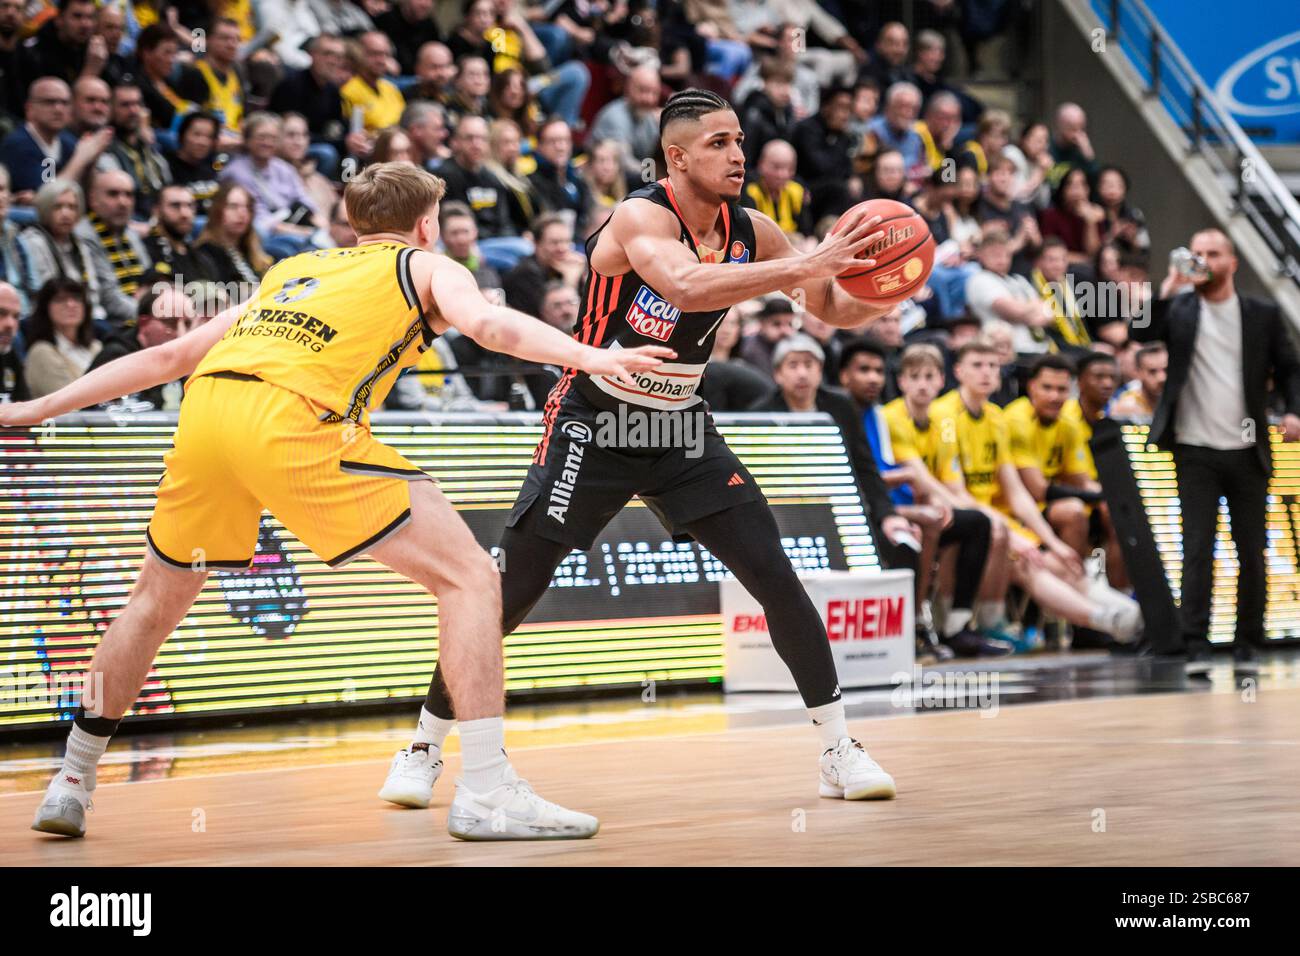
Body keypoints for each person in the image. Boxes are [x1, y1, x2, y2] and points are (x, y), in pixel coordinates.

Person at [4, 161, 671, 841]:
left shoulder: (291, 273)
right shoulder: (428, 267)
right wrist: (588, 356)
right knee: (470, 575)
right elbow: (489, 327)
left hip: (207, 417)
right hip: (293, 422)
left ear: (354, 225)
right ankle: (487, 789)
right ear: (425, 223)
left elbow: (170, 359)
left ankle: (73, 780)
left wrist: (37, 407)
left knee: (153, 603)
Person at [381, 88, 904, 812]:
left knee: (773, 571)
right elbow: (686, 287)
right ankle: (423, 747)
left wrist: (893, 284)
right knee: (508, 593)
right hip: (593, 419)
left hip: (677, 426)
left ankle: (839, 749)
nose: (738, 155)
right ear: (676, 155)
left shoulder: (752, 230)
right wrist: (805, 263)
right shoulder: (638, 216)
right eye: (719, 143)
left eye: (740, 142)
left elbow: (832, 307)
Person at [1131, 228, 1300, 675]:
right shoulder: (1181, 308)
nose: (1204, 260)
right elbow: (1140, 330)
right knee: (1197, 547)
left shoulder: (1260, 313)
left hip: (1247, 448)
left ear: (1233, 262)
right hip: (1193, 447)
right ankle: (1196, 645)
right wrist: (1168, 286)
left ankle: (1248, 644)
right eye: (1198, 253)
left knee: (1252, 550)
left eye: (1214, 254)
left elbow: (1290, 368)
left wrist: (1294, 412)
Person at [932, 340, 1143, 647]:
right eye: (977, 365)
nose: (986, 373)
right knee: (1026, 559)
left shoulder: (994, 417)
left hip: (1001, 517)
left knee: (1060, 562)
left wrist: (1053, 543)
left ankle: (1133, 614)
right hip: (967, 516)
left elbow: (1018, 494)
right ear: (958, 371)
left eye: (992, 366)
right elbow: (956, 491)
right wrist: (1019, 533)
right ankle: (1103, 621)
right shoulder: (946, 416)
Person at [879, 342, 1003, 657]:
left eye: (929, 376)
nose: (922, 383)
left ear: (941, 381)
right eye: (914, 376)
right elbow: (919, 476)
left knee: (978, 524)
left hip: (928, 505)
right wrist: (945, 503)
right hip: (895, 509)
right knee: (946, 520)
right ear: (902, 381)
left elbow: (948, 479)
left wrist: (950, 504)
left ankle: (957, 624)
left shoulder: (943, 423)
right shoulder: (891, 417)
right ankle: (918, 620)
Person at [0, 76, 109, 200]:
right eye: (49, 102)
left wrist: (91, 161)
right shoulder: (18, 144)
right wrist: (81, 158)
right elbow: (48, 198)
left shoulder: (68, 142)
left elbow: (90, 196)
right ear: (29, 109)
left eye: (64, 103)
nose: (58, 109)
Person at [86, 284, 194, 408]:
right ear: (144, 323)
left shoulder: (185, 361)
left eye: (187, 323)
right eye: (170, 322)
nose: (181, 333)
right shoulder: (116, 358)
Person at [21, 276, 101, 398]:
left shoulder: (96, 346)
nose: (70, 304)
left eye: (77, 298)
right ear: (45, 308)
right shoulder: (41, 352)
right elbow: (68, 404)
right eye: (60, 299)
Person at [193, 182, 272, 288]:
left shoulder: (253, 253)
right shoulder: (206, 252)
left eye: (247, 208)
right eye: (233, 207)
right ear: (217, 211)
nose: (242, 213)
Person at [1110, 342, 1166, 422]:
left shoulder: (1179, 401)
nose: (1161, 378)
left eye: (1165, 370)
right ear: (1138, 372)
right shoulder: (1126, 408)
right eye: (1152, 371)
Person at [0, 280, 27, 402]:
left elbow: (25, 409)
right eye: (1, 313)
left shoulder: (10, 356)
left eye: (16, 316)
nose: (10, 324)